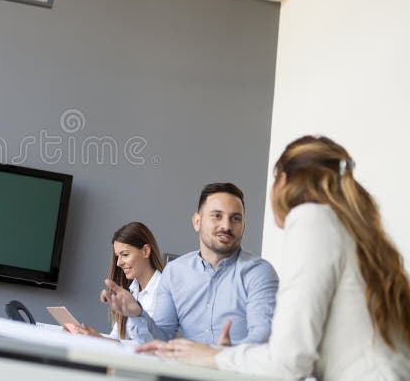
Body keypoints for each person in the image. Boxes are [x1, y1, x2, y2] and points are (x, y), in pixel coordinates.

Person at [139, 136, 410, 380]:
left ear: (282, 181)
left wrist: (210, 357)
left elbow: (289, 361)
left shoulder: (312, 219)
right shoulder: (351, 227)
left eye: (235, 217)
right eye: (217, 216)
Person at [103, 183, 278, 345]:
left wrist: (222, 355)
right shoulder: (175, 272)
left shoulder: (259, 272)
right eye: (217, 216)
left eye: (236, 218)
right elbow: (162, 339)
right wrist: (137, 314)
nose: (226, 225)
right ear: (197, 222)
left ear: (244, 226)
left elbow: (262, 336)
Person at [70, 222, 163, 342]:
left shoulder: (163, 291)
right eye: (117, 256)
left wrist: (98, 339)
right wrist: (88, 335)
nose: (119, 263)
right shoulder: (131, 290)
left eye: (125, 254)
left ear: (145, 251)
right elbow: (118, 339)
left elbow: (152, 346)